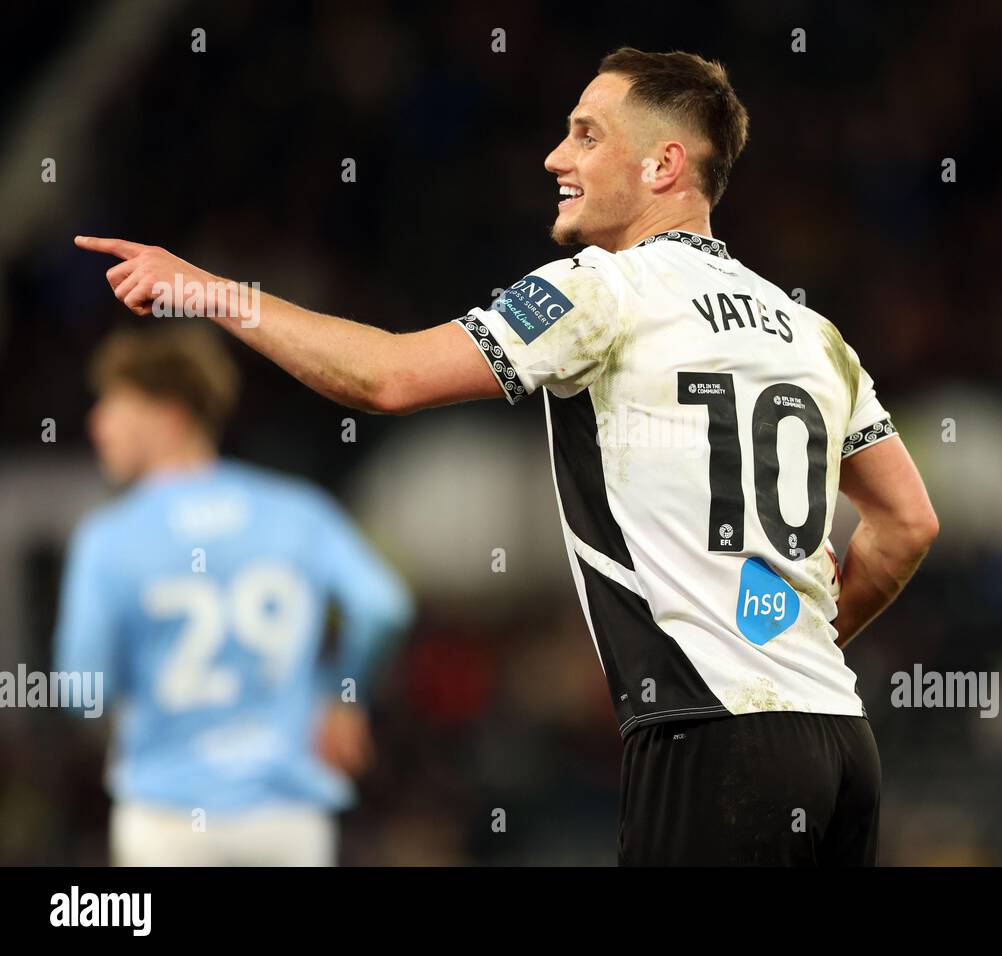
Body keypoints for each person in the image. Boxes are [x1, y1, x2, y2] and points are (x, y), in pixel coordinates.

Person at [75, 47, 938, 865]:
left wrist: (209, 287)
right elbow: (906, 523)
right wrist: (791, 645)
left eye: (588, 134)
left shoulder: (603, 289)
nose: (557, 156)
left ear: (664, 166)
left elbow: (383, 377)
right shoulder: (810, 332)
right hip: (838, 741)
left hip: (710, 736)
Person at [54, 324, 412, 865]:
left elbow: (83, 692)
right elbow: (384, 607)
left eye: (114, 405)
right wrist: (346, 698)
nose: (97, 424)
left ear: (168, 415)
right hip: (286, 814)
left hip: (167, 813)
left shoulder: (108, 538)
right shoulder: (298, 510)